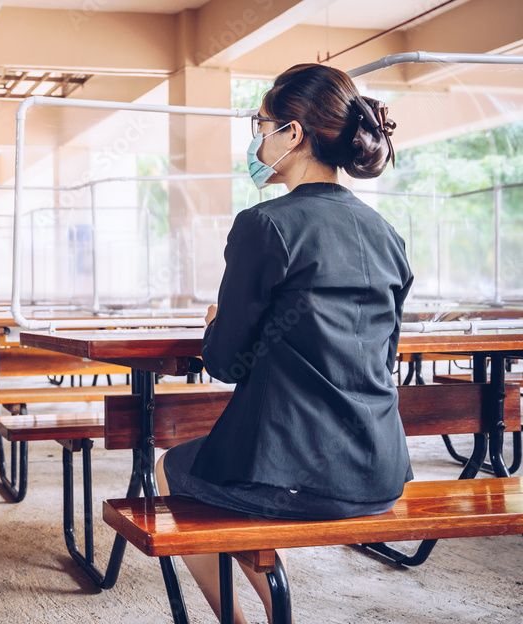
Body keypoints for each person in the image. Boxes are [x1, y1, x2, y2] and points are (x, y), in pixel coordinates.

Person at [156, 63, 414, 624]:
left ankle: (247, 620)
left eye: (263, 124)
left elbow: (224, 363)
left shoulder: (265, 224)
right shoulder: (387, 236)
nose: (257, 139)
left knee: (171, 468)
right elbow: (383, 354)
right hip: (383, 473)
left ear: (293, 133)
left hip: (292, 477)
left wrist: (218, 323)